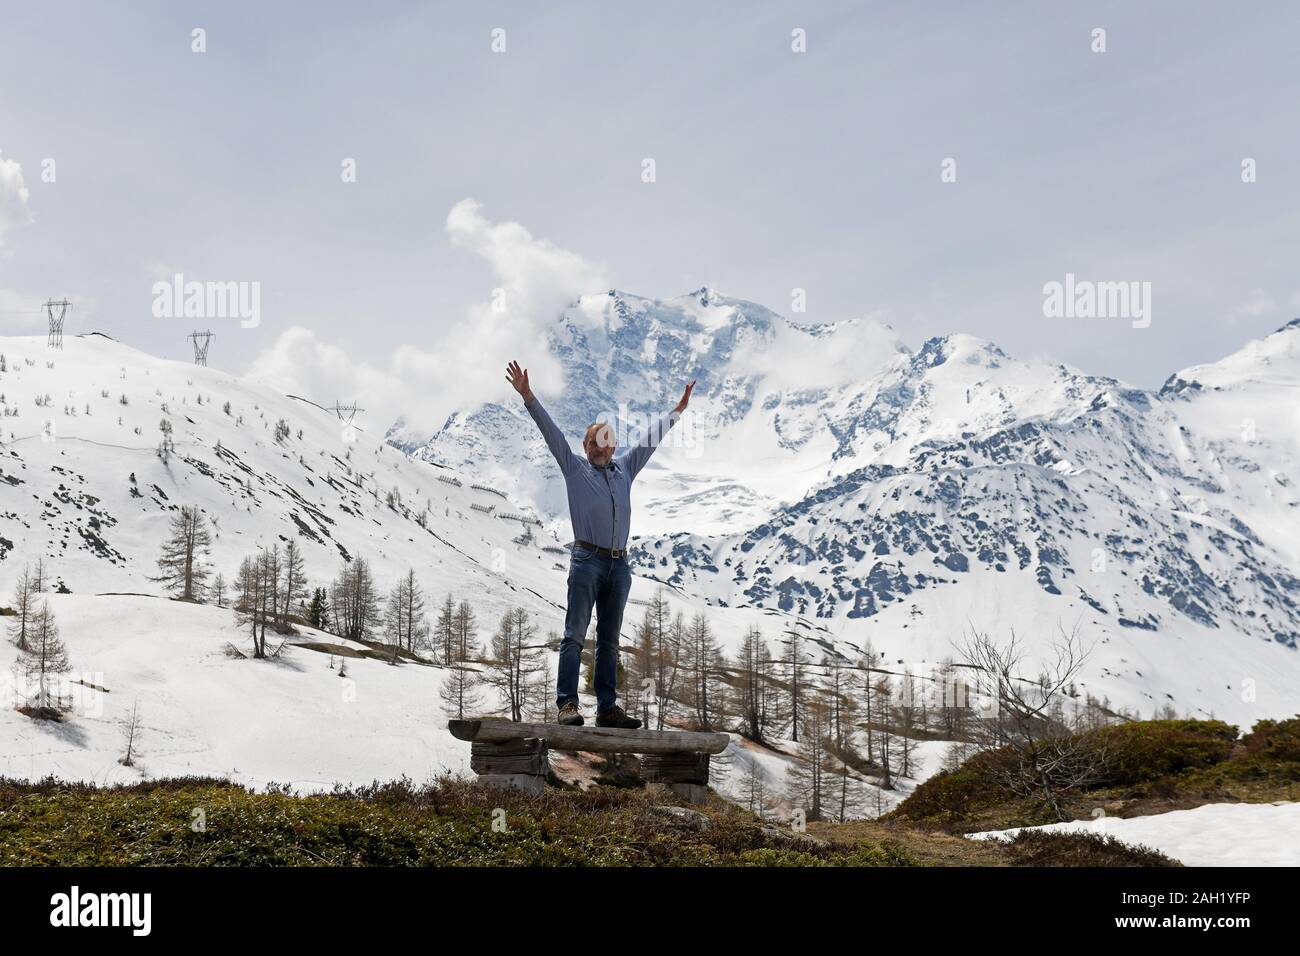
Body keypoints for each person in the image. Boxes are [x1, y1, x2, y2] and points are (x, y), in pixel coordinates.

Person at [505, 359, 695, 727]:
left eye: (604, 442)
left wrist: (677, 411)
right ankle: (567, 705)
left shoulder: (626, 468)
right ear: (585, 445)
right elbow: (552, 434)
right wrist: (528, 396)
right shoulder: (574, 468)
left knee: (609, 641)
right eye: (593, 442)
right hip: (587, 560)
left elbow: (650, 440)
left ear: (613, 446)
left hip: (619, 566)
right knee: (575, 634)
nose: (599, 448)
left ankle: (607, 709)